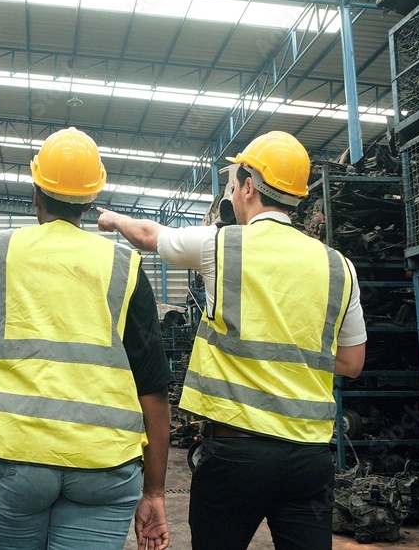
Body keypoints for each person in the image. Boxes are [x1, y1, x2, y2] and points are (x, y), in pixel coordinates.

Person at [97, 131, 367, 550]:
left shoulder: (220, 245)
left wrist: (114, 220)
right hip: (309, 460)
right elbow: (351, 362)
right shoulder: (340, 267)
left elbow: (150, 236)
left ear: (248, 187)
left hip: (236, 453)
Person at [0, 127, 172, 550]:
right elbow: (153, 390)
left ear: (35, 193)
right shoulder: (125, 266)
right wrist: (154, 492)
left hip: (15, 455)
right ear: (91, 200)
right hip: (104, 462)